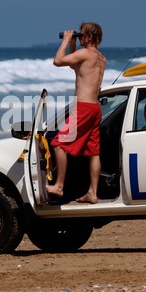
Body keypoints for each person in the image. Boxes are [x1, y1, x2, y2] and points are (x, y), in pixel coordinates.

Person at [47, 22, 106, 204]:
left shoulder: (85, 54)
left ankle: (59, 186)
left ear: (89, 37)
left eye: (81, 36)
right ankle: (92, 193)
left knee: (58, 143)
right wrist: (74, 43)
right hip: (95, 108)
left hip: (84, 108)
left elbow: (58, 61)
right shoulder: (101, 58)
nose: (79, 38)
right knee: (93, 151)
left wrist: (65, 41)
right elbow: (75, 66)